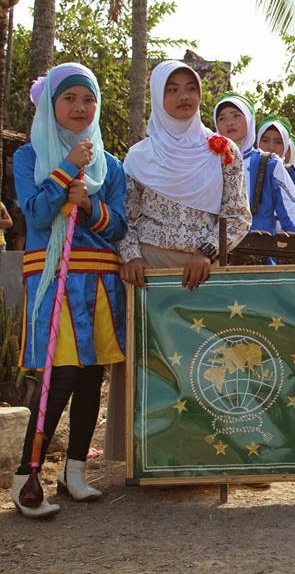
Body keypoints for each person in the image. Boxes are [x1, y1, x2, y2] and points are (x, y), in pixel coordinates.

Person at [115, 60, 252, 460]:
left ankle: (211, 455)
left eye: (189, 88)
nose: (183, 97)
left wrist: (205, 254)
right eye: (172, 89)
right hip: (148, 273)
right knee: (152, 362)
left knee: (207, 365)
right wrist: (132, 257)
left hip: (202, 273)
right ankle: (149, 458)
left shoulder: (222, 151)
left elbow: (237, 215)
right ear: (159, 96)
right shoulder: (140, 155)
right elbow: (126, 214)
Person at [9, 63, 128, 518]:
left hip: (99, 282)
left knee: (90, 376)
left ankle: (75, 472)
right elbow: (37, 216)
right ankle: (28, 475)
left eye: (89, 99)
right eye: (70, 99)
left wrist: (90, 204)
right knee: (56, 377)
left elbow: (117, 226)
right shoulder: (29, 157)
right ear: (50, 105)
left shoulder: (110, 165)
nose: (80, 108)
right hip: (52, 280)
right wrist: (65, 172)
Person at [249, 115, 295, 257]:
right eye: (265, 140)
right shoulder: (246, 167)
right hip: (257, 245)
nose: (271, 146)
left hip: (291, 246)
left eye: (278, 142)